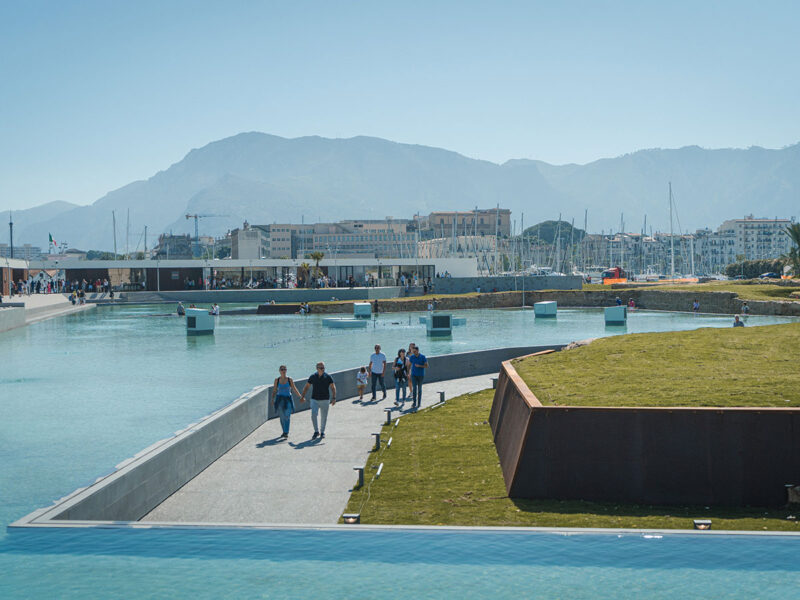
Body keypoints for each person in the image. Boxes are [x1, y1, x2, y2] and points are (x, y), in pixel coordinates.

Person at [300, 362, 336, 440]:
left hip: (325, 400)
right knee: (313, 415)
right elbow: (306, 387)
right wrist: (302, 396)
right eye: (321, 368)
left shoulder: (328, 377)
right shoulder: (313, 376)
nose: (323, 369)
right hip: (314, 399)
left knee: (324, 417)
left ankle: (322, 432)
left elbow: (333, 387)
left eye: (324, 368)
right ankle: (316, 431)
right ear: (317, 368)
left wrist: (334, 398)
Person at [272, 366, 303, 439]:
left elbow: (294, 388)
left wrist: (300, 396)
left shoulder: (289, 379)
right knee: (282, 417)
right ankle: (284, 431)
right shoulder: (277, 380)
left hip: (288, 399)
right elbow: (274, 390)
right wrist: (272, 399)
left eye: (284, 369)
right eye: (282, 369)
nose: (283, 371)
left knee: (287, 416)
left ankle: (286, 432)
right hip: (279, 400)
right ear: (279, 371)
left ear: (286, 370)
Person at [408, 344, 428, 410]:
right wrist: (408, 372)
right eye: (413, 351)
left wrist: (420, 366)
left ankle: (419, 403)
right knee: (414, 389)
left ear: (418, 350)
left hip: (421, 375)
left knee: (419, 389)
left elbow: (426, 366)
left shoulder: (423, 357)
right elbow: (409, 365)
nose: (414, 352)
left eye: (415, 351)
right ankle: (414, 403)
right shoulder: (412, 357)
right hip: (413, 375)